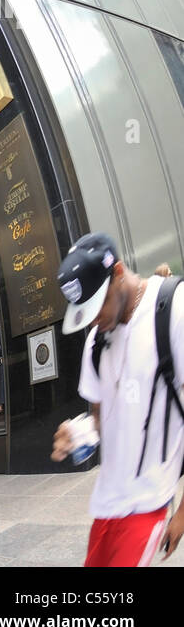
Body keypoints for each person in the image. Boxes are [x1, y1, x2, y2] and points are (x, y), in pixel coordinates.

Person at [51, 232, 184, 566]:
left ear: (119, 273)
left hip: (147, 504)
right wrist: (78, 434)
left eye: (98, 306)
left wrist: (182, 513)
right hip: (106, 505)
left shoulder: (173, 311)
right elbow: (101, 417)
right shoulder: (96, 341)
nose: (93, 319)